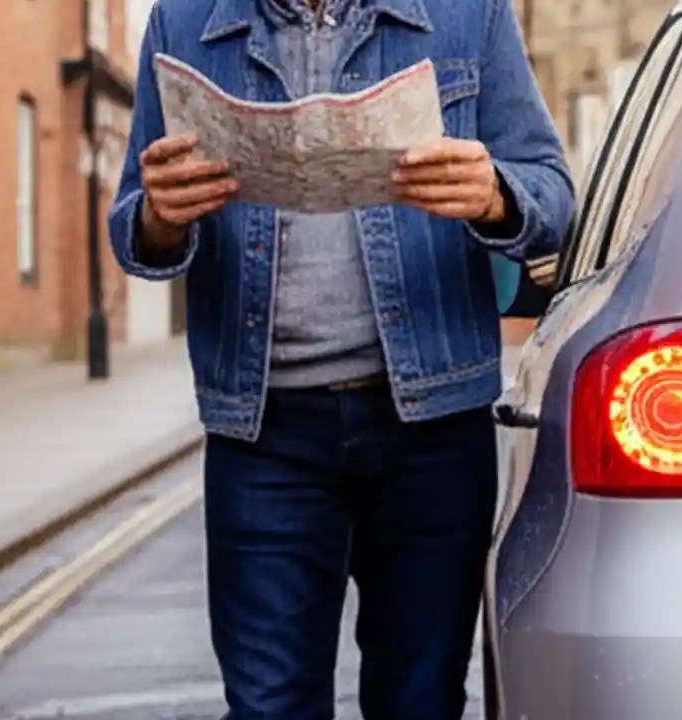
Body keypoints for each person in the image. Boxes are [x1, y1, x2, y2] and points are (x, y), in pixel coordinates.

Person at [107, 0, 574, 717]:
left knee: (419, 700)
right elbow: (133, 223)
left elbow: (551, 189)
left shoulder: (470, 13)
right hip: (264, 435)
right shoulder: (182, 23)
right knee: (268, 705)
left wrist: (496, 197)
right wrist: (157, 219)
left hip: (433, 428)